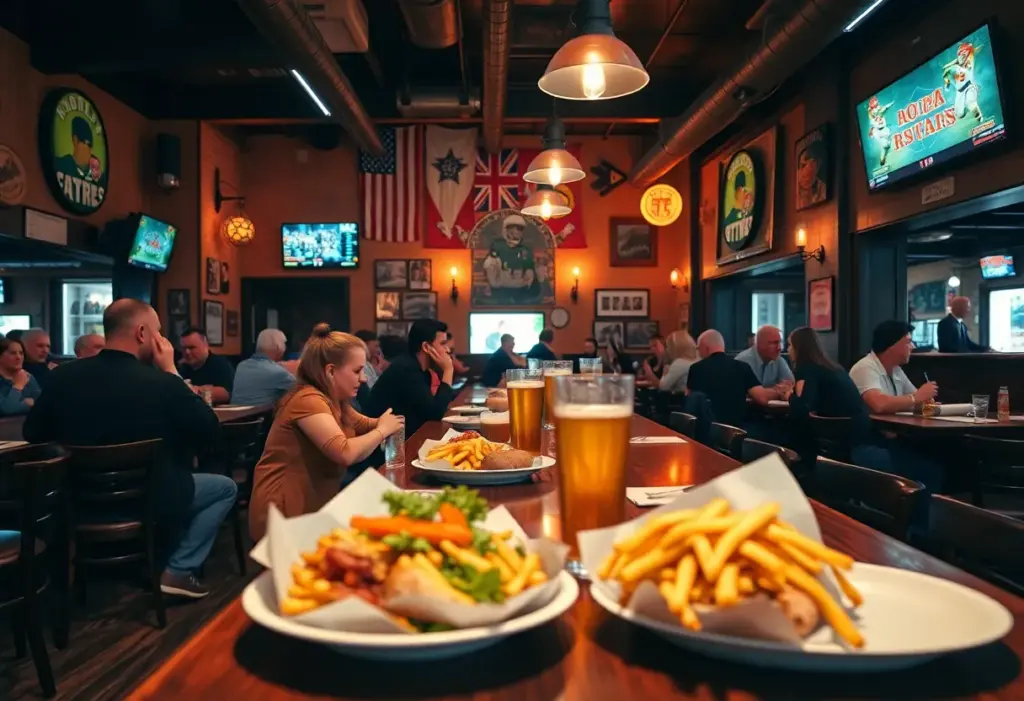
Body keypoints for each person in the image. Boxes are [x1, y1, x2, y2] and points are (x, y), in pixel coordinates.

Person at [23, 299, 234, 598]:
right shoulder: (164, 384)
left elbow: (33, 434)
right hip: (151, 500)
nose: (162, 340)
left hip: (75, 501)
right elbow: (211, 433)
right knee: (224, 488)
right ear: (142, 333)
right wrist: (172, 370)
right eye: (159, 332)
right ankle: (178, 570)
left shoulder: (61, 378)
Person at [248, 325, 404, 542]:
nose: (364, 379)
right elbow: (344, 452)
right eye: (357, 371)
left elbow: (368, 424)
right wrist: (383, 430)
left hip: (311, 501)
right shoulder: (308, 400)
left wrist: (386, 423)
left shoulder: (335, 399)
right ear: (330, 371)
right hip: (283, 507)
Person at [364, 319, 454, 437]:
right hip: (384, 447)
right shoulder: (406, 369)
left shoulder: (420, 369)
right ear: (426, 347)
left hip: (401, 438)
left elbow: (431, 410)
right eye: (443, 344)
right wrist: (448, 370)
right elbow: (435, 414)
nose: (448, 349)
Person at [686, 329, 779, 429]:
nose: (698, 353)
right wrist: (778, 391)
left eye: (699, 349)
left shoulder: (696, 369)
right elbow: (762, 398)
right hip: (736, 431)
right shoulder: (742, 367)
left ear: (706, 348)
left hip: (705, 430)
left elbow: (690, 401)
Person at [849, 320, 938, 415]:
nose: (913, 346)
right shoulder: (865, 367)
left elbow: (916, 402)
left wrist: (924, 402)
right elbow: (879, 405)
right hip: (869, 428)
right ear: (892, 345)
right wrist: (916, 397)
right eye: (908, 342)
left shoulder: (896, 370)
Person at [232, 328, 296, 406]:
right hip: (261, 417)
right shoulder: (277, 372)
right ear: (279, 347)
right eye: (284, 344)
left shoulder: (241, 366)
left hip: (236, 417)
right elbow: (304, 389)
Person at [178, 327, 235, 405]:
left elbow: (227, 393)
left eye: (192, 347)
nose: (187, 352)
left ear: (205, 345)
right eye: (184, 348)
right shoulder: (182, 367)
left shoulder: (219, 364)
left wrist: (197, 390)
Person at [0, 337, 40, 415]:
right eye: (13, 353)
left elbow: (42, 404)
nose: (18, 357)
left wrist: (20, 405)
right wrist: (18, 386)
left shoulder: (28, 377)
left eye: (21, 353)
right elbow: (6, 409)